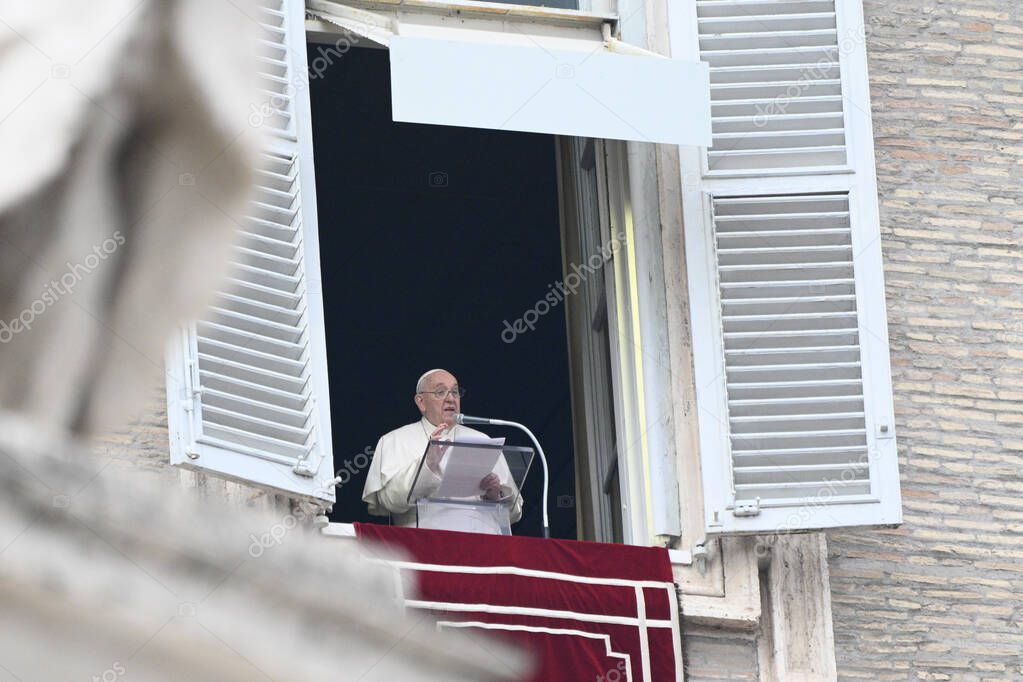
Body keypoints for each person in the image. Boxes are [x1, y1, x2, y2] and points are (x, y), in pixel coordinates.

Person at [362, 369, 523, 530]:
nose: (451, 399)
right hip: (423, 540)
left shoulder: (483, 441)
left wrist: (495, 495)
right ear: (421, 402)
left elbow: (514, 513)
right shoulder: (395, 440)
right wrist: (428, 465)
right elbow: (389, 501)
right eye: (440, 392)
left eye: (455, 392)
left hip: (481, 539)